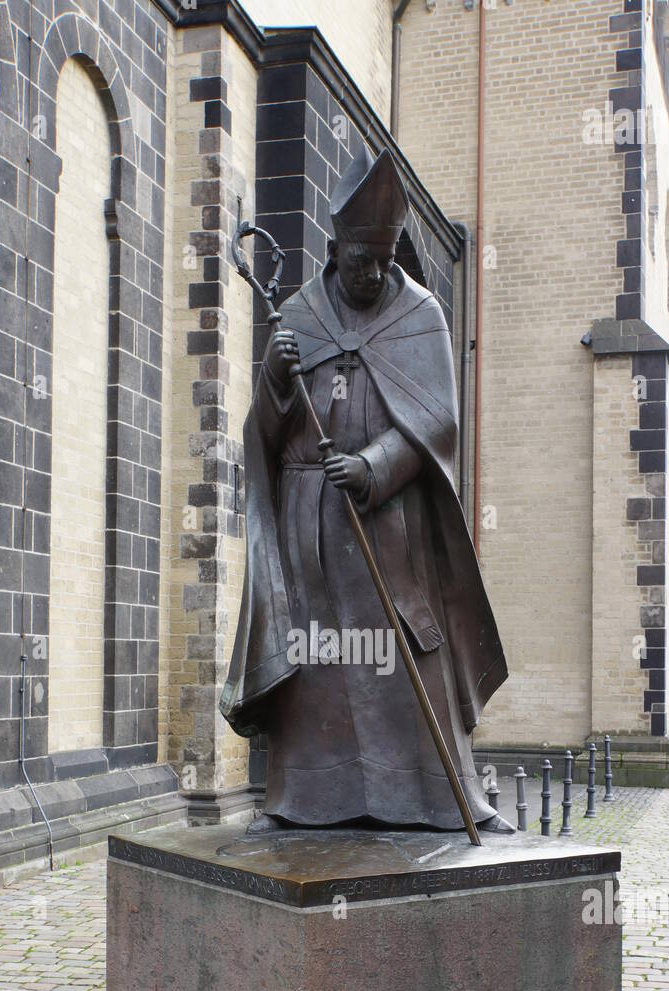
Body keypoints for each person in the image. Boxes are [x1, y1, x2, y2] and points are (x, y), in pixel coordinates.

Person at [220, 147, 510, 833]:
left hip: (387, 528)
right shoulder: (297, 315)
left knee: (411, 651)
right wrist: (277, 381)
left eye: (384, 260)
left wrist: (374, 467)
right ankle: (298, 799)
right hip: (309, 528)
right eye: (361, 260)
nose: (374, 273)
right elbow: (265, 432)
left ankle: (448, 800)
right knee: (318, 659)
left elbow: (438, 423)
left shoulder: (420, 316)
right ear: (334, 247)